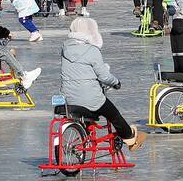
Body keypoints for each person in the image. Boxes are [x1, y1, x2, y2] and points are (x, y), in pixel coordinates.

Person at [60, 16, 146, 151]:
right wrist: (116, 82)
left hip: (68, 98)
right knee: (113, 114)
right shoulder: (92, 50)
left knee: (92, 105)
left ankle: (84, 131)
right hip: (90, 98)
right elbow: (104, 76)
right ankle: (129, 137)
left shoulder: (65, 49)